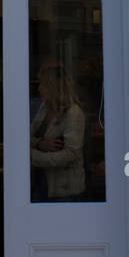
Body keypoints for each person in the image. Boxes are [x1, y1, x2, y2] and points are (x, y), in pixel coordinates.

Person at [30, 63, 85, 201]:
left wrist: (32, 156)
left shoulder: (73, 113)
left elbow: (71, 153)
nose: (39, 89)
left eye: (43, 85)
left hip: (63, 190)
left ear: (53, 87)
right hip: (40, 182)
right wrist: (39, 144)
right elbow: (28, 137)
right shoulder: (44, 107)